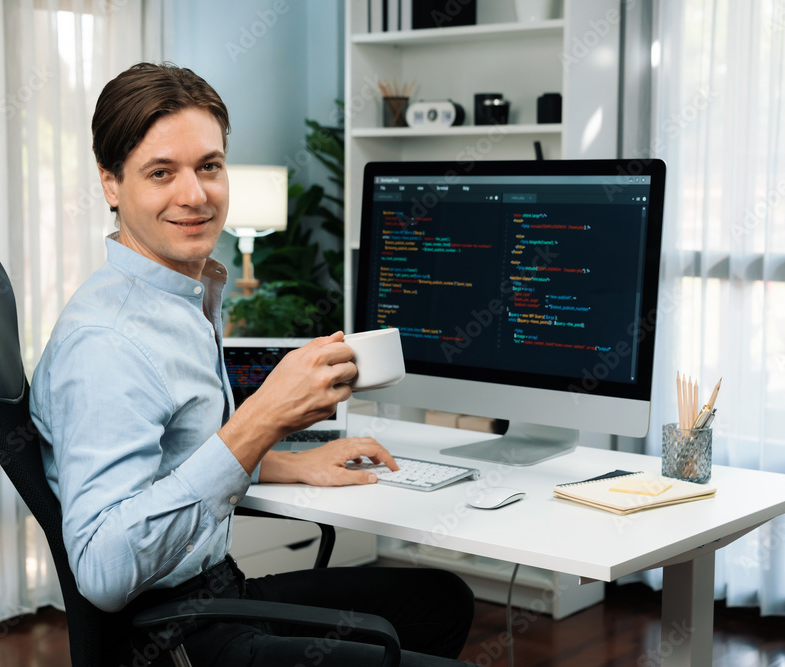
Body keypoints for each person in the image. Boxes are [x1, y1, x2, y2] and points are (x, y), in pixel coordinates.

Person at [29, 62, 476, 666]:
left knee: (440, 599)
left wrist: (286, 462)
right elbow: (105, 570)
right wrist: (262, 418)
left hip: (215, 592)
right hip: (171, 639)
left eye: (208, 166)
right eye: (161, 172)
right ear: (111, 184)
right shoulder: (107, 343)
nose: (195, 194)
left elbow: (174, 460)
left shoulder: (178, 296)